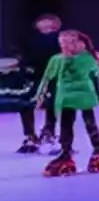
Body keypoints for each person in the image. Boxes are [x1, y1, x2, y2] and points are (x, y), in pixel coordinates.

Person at [36, 30, 99, 176]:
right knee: (66, 126)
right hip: (65, 97)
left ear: (79, 43)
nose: (65, 45)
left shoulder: (87, 58)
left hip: (84, 95)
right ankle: (66, 153)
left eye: (69, 42)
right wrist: (39, 95)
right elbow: (46, 78)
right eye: (62, 43)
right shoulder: (56, 59)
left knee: (90, 125)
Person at [19, 14, 62, 149]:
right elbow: (24, 58)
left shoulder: (61, 39)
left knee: (53, 104)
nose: (45, 23)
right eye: (42, 21)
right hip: (35, 77)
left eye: (49, 21)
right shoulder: (29, 40)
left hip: (55, 77)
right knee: (25, 104)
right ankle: (29, 135)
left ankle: (49, 131)